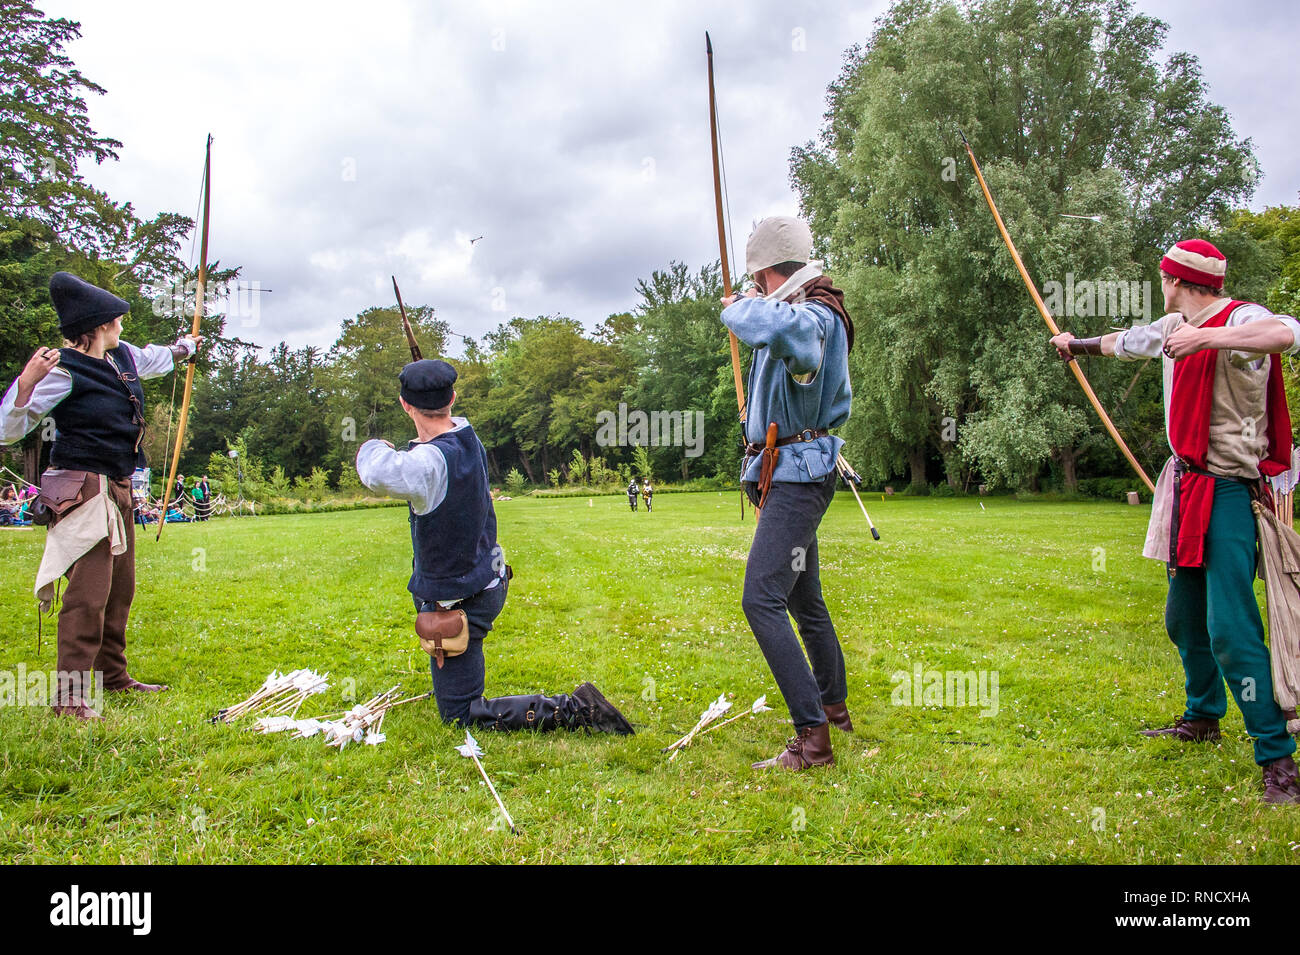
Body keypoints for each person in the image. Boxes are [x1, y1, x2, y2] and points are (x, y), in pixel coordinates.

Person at [1051, 238, 1300, 804]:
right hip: (1187, 489)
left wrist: (1208, 336)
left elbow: (1288, 332)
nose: (1161, 284)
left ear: (1177, 279)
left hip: (1231, 494)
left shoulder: (1242, 320)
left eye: (1163, 277)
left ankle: (1278, 763)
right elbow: (1128, 342)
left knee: (1232, 631)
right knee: (1184, 618)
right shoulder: (1171, 324)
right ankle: (1203, 716)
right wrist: (1077, 345)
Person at [355, 358, 634, 735]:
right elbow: (434, 442)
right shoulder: (466, 436)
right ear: (452, 398)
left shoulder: (429, 463)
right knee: (453, 687)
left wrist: (374, 444)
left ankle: (577, 709)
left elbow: (378, 472)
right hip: (487, 579)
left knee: (461, 716)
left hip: (460, 601)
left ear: (405, 405)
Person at [0, 272, 198, 720]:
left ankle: (112, 676)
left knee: (119, 589)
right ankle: (69, 697)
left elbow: (159, 357)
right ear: (101, 324)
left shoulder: (121, 356)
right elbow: (8, 428)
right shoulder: (61, 371)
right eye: (118, 319)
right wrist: (26, 384)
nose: (124, 325)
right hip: (81, 490)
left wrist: (186, 347)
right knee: (87, 594)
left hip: (118, 485)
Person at [719, 215, 855, 772]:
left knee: (761, 598)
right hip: (787, 473)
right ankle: (834, 709)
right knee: (803, 599)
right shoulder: (801, 312)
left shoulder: (814, 317)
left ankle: (813, 738)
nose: (755, 291)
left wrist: (734, 304)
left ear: (770, 274)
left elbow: (774, 329)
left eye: (758, 281)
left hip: (799, 478)